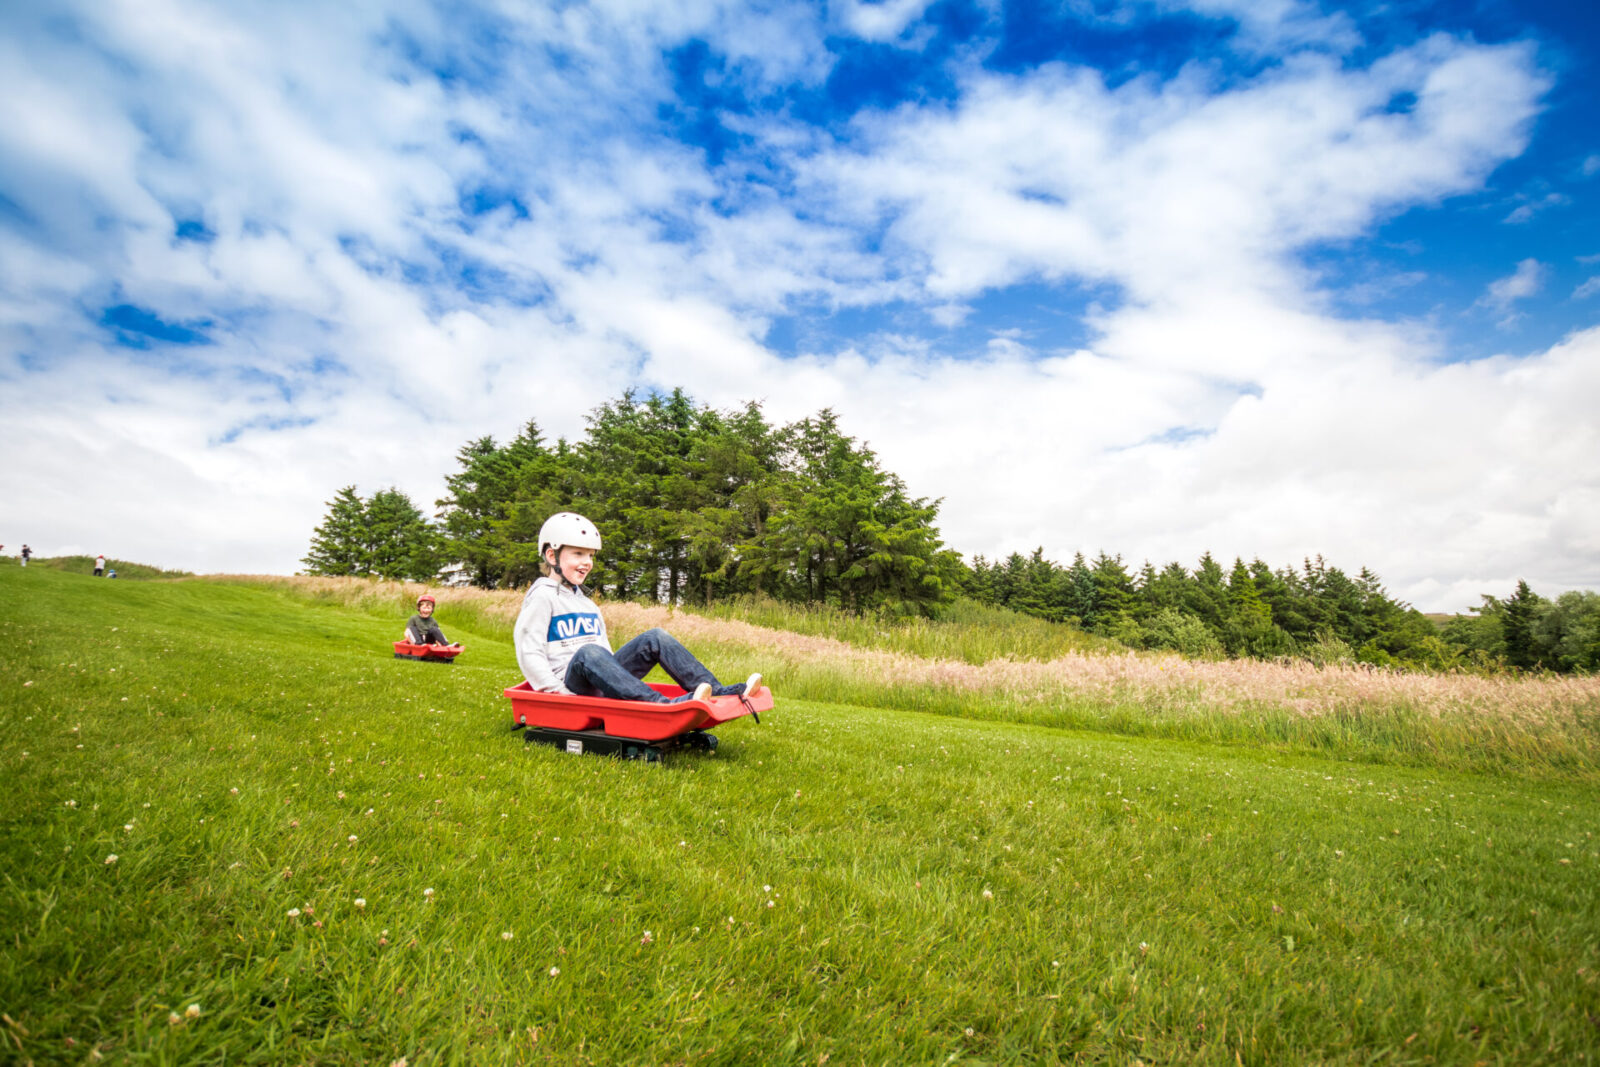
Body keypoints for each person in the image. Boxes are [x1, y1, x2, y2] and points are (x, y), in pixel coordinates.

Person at [514, 511, 762, 705]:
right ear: (551, 556)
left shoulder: (586, 603)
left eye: (590, 556)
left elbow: (604, 653)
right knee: (587, 653)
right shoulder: (542, 597)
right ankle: (662, 705)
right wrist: (557, 693)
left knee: (655, 637)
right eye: (578, 554)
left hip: (600, 678)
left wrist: (615, 679)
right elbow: (529, 652)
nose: (587, 563)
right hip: (571, 686)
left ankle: (717, 692)